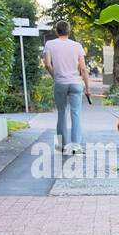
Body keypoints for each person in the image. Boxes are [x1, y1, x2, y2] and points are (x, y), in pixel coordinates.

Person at [42, 21, 91, 153]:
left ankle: (62, 145)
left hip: (60, 83)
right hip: (75, 83)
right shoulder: (77, 46)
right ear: (69, 32)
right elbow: (83, 69)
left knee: (62, 113)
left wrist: (56, 76)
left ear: (57, 31)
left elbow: (47, 64)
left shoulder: (49, 44)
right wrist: (87, 88)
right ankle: (76, 146)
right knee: (76, 114)